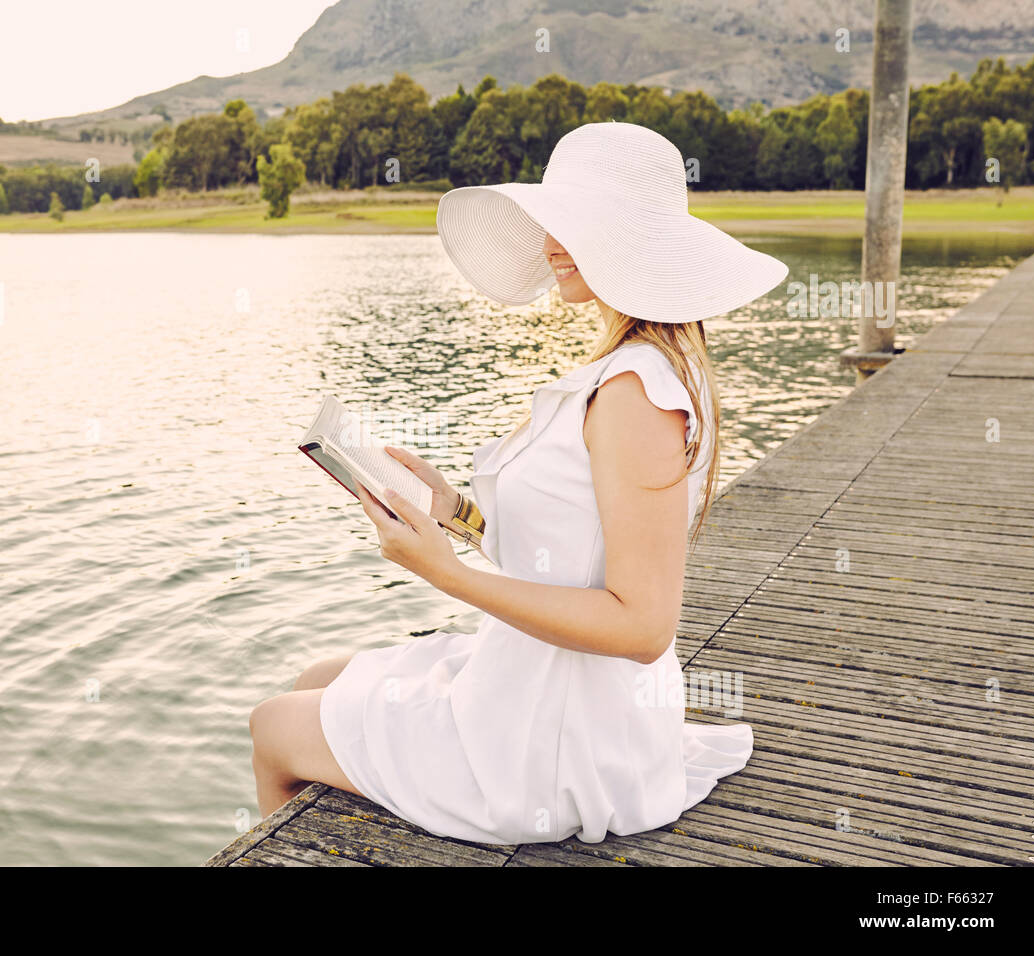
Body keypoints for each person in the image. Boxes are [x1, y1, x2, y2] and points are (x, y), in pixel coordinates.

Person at [250, 122, 788, 845]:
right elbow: (575, 544)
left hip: (558, 744)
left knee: (272, 727)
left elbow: (643, 625)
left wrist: (447, 576)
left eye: (575, 223)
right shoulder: (639, 366)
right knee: (317, 673)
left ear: (630, 240)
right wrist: (457, 514)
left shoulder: (634, 395)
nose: (550, 243)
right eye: (551, 221)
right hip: (542, 682)